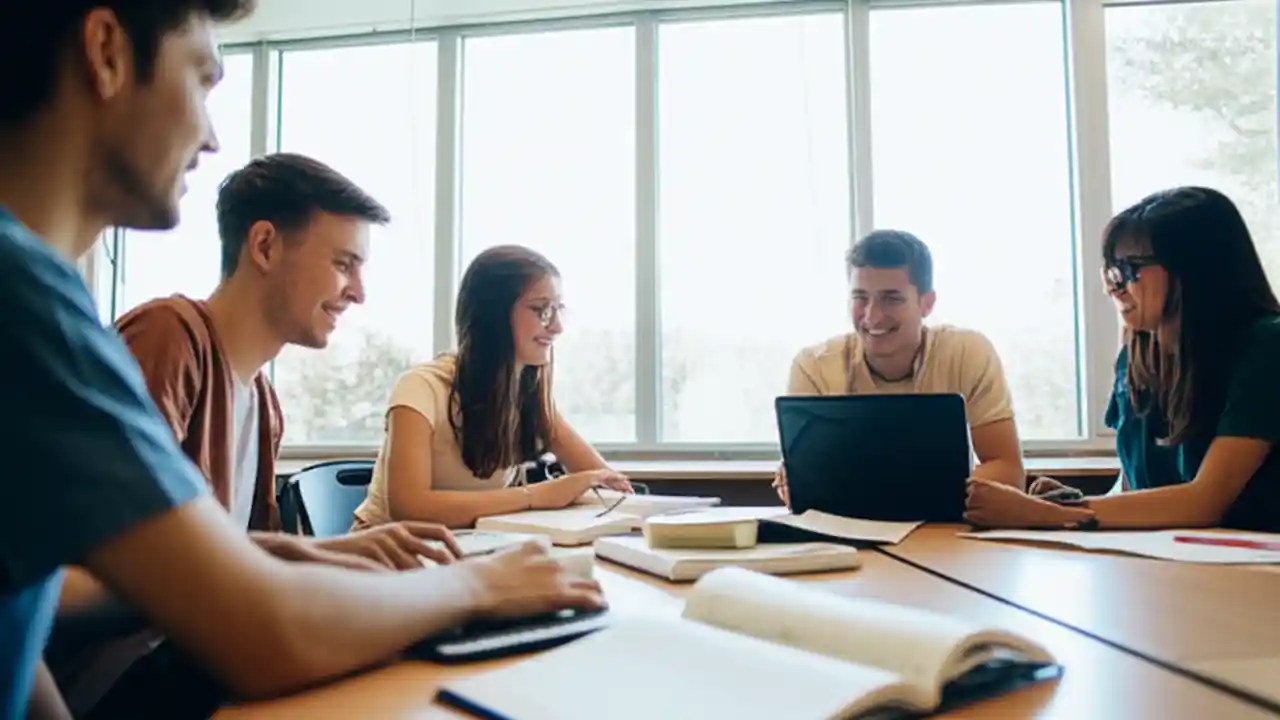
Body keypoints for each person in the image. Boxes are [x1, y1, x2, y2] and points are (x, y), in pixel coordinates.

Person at [0, 4, 601, 718]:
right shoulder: (59, 307)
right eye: (202, 80)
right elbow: (253, 623)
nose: (211, 135)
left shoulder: (252, 396)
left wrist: (305, 556)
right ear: (105, 51)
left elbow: (22, 605)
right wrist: (481, 585)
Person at [965, 187, 1280, 532]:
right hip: (1167, 558)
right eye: (1111, 271)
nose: (1113, 288)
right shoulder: (1136, 354)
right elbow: (1135, 487)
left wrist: (1047, 514)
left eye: (1129, 269)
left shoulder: (1267, 346)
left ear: (1194, 268)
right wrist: (1071, 501)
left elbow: (1205, 502)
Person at [354, 245, 632, 530]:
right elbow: (409, 508)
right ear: (493, 317)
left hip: (468, 543)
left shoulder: (528, 395)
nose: (557, 326)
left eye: (558, 309)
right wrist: (537, 496)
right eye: (541, 310)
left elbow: (609, 484)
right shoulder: (421, 388)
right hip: (386, 546)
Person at [773, 230, 1026, 506]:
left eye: (891, 299)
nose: (872, 316)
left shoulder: (967, 353)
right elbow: (804, 485)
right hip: (850, 528)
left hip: (943, 527)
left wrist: (886, 491)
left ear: (927, 303)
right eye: (860, 297)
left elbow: (1009, 471)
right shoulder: (814, 367)